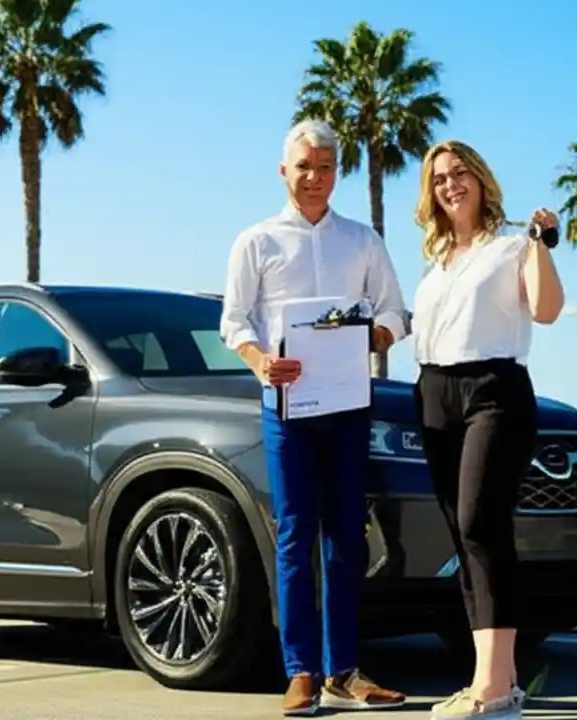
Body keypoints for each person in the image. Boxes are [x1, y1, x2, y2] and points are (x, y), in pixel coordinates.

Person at [220, 118, 411, 717]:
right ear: (284, 171)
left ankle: (344, 670)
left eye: (325, 168)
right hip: (288, 409)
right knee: (297, 534)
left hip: (349, 406)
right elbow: (234, 321)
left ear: (337, 173)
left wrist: (373, 336)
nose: (314, 178)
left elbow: (396, 313)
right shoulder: (256, 241)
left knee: (346, 538)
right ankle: (300, 669)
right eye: (304, 167)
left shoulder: (363, 240)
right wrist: (260, 361)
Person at [409, 139, 565, 720]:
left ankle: (494, 692)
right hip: (434, 393)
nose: (451, 184)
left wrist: (541, 246)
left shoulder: (511, 247)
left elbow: (546, 309)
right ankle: (493, 679)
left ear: (480, 180)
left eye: (460, 173)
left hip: (494, 391)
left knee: (481, 523)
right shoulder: (438, 263)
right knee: (463, 535)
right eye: (441, 178)